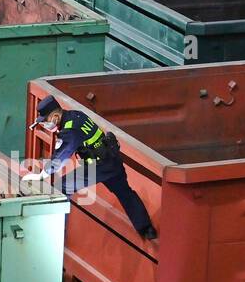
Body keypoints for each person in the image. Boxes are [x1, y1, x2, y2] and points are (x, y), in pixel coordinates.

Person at [23, 95, 157, 241]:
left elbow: (60, 157)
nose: (45, 125)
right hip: (113, 159)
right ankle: (147, 229)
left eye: (46, 121)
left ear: (55, 116)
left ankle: (56, 236)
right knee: (125, 192)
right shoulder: (76, 114)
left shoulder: (69, 130)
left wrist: (42, 174)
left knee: (61, 188)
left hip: (98, 167)